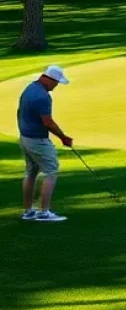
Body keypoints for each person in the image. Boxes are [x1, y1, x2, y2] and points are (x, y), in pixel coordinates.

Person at [18, 65, 73, 223]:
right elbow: (48, 122)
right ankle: (44, 212)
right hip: (37, 140)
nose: (56, 86)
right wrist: (63, 137)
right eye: (56, 83)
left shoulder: (30, 88)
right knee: (51, 171)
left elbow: (19, 112)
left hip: (25, 137)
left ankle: (28, 211)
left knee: (31, 172)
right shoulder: (42, 97)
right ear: (49, 79)